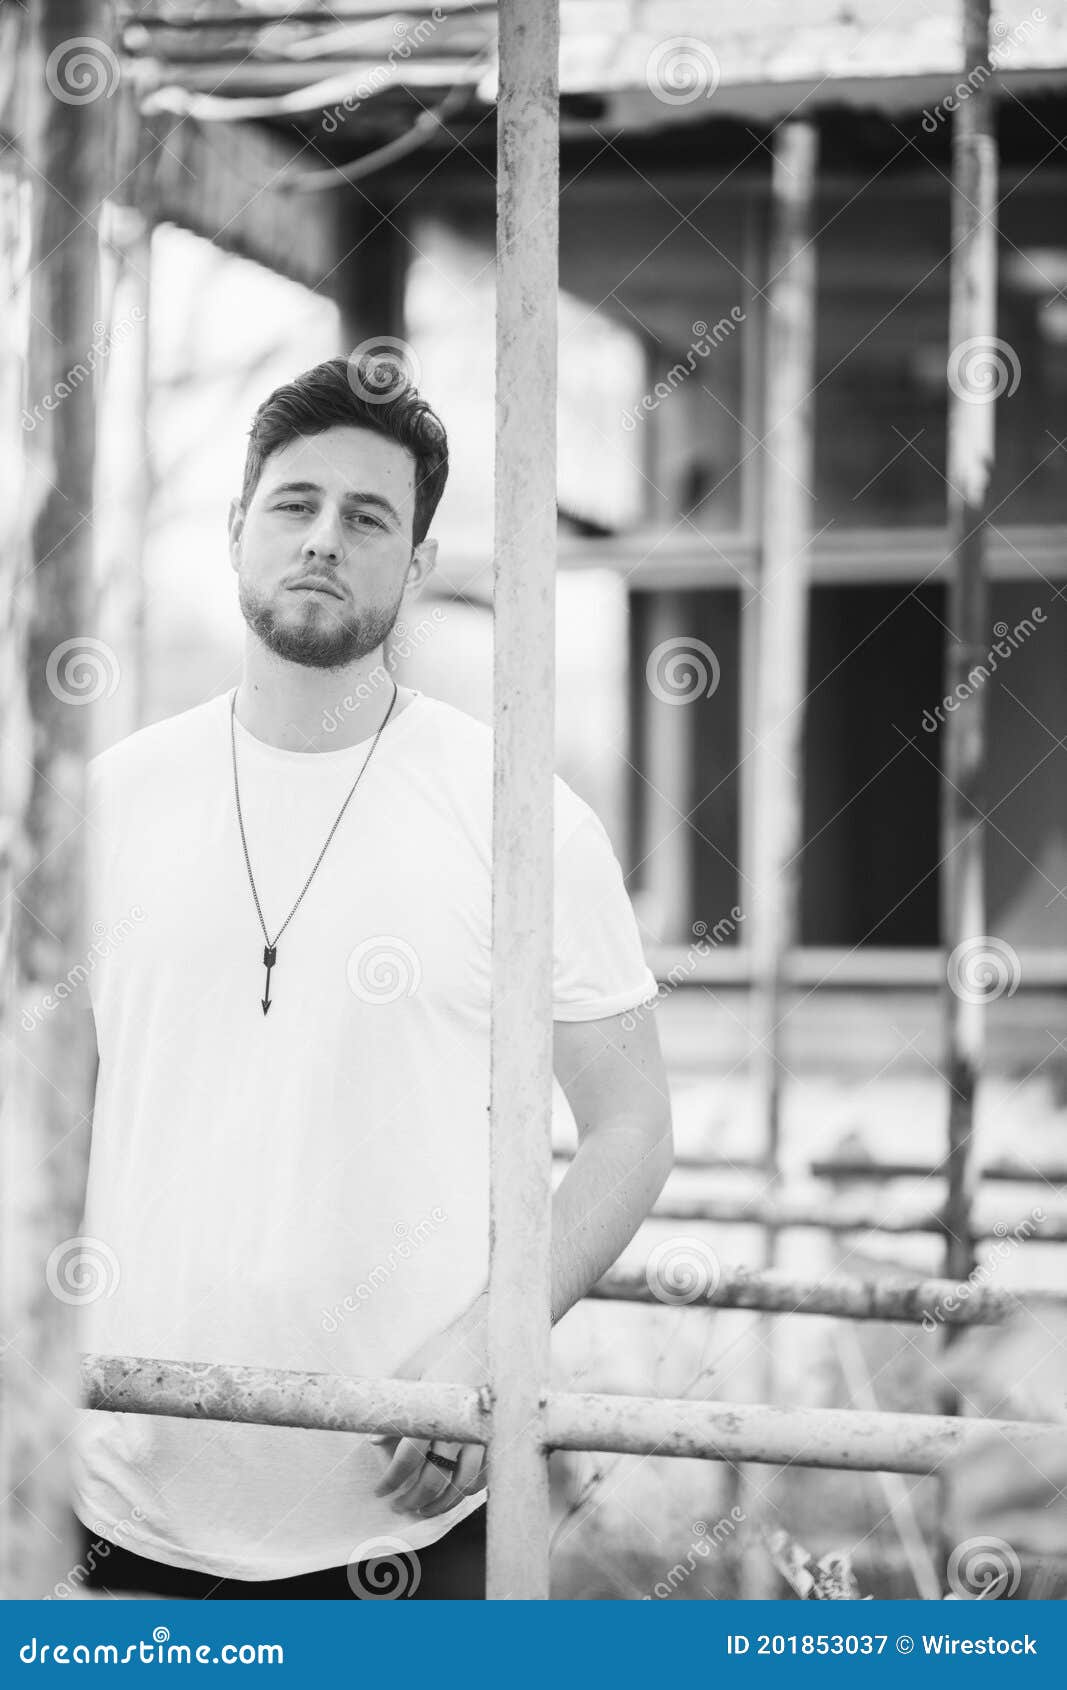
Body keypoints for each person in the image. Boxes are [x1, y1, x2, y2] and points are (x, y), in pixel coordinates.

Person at [70, 353, 674, 1599]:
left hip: (407, 1513)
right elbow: (43, 1119)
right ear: (238, 529)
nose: (323, 540)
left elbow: (629, 1127)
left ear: (422, 562)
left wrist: (495, 1333)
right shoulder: (108, 805)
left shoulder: (516, 814)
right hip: (122, 1500)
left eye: (368, 517)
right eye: (293, 505)